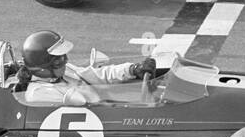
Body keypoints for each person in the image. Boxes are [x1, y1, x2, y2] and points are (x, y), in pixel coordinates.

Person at [15, 30, 154, 106]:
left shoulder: (64, 71)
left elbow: (98, 75)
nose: (64, 61)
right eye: (58, 60)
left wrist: (132, 69)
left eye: (64, 56)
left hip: (105, 108)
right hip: (99, 119)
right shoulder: (39, 93)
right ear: (42, 67)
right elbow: (81, 103)